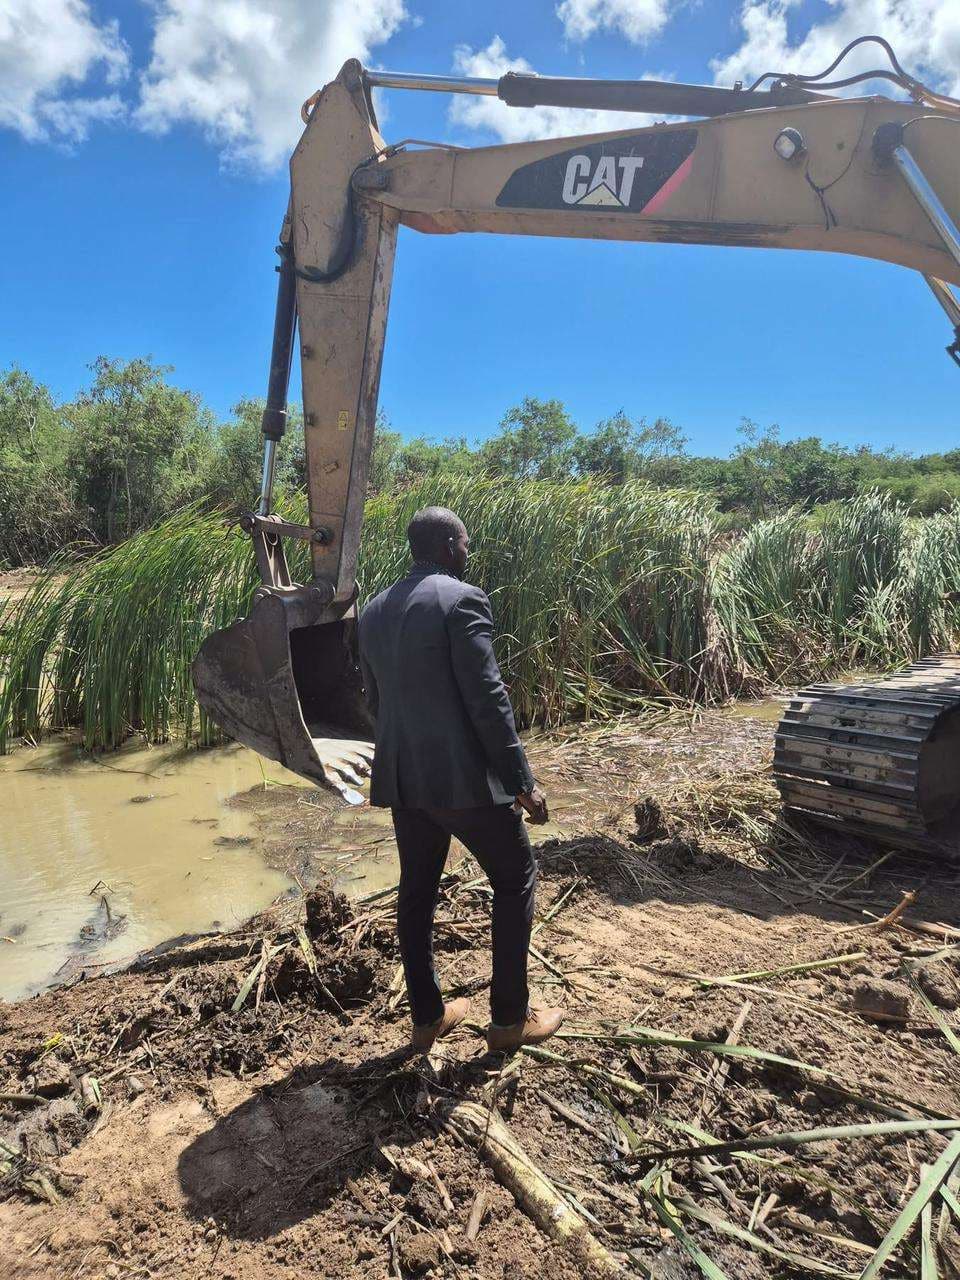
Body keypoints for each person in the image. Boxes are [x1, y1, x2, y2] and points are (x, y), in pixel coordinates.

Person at [357, 506, 564, 1054]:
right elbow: (488, 699)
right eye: (465, 542)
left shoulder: (374, 611)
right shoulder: (462, 599)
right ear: (450, 546)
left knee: (416, 890)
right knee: (516, 877)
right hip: (463, 783)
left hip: (405, 780)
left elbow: (374, 702)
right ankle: (507, 1021)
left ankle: (427, 1019)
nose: (468, 551)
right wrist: (522, 781)